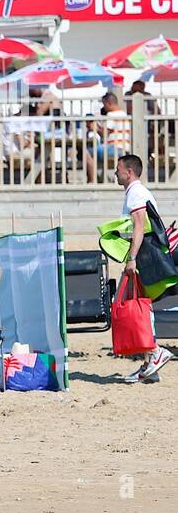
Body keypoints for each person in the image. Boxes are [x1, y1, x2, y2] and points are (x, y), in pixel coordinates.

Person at [116, 153, 173, 383]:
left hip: (144, 255)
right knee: (139, 305)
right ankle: (149, 366)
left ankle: (156, 352)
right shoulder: (135, 192)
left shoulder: (136, 193)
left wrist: (132, 258)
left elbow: (139, 226)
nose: (114, 173)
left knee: (138, 307)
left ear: (129, 172)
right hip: (145, 253)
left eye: (117, 169)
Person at [87, 93, 130, 184]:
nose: (104, 108)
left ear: (108, 103)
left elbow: (104, 134)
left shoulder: (111, 114)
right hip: (123, 148)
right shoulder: (123, 114)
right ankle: (98, 177)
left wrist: (94, 127)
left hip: (114, 148)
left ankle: (92, 180)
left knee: (87, 152)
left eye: (104, 105)